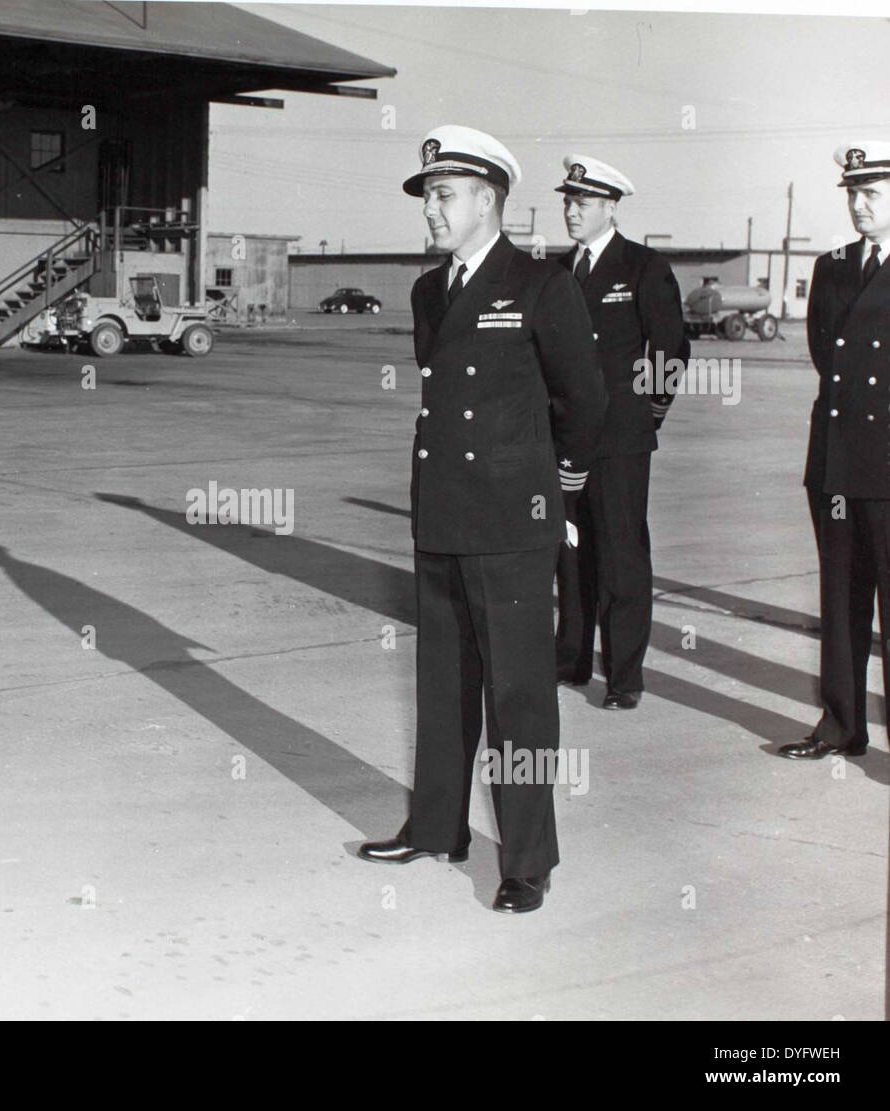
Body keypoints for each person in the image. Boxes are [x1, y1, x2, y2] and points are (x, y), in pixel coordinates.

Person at [358, 126, 607, 913]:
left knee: (521, 698)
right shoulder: (429, 291)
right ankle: (437, 825)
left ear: (488, 199)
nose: (431, 208)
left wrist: (555, 490)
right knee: (443, 686)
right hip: (442, 516)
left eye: (444, 193)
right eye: (429, 194)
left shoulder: (540, 286)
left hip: (513, 521)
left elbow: (585, 402)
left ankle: (528, 857)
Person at [552, 155, 689, 709]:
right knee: (570, 553)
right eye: (567, 201)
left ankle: (625, 677)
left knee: (621, 557)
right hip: (565, 438)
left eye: (582, 203)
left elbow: (671, 349)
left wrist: (647, 414)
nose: (571, 211)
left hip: (619, 440)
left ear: (610, 207)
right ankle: (572, 661)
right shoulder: (559, 272)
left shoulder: (642, 267)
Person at [781, 141, 890, 761]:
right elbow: (827, 355)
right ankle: (842, 723)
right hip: (838, 458)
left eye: (872, 192)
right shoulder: (833, 266)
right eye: (853, 192)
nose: (858, 204)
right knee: (842, 598)